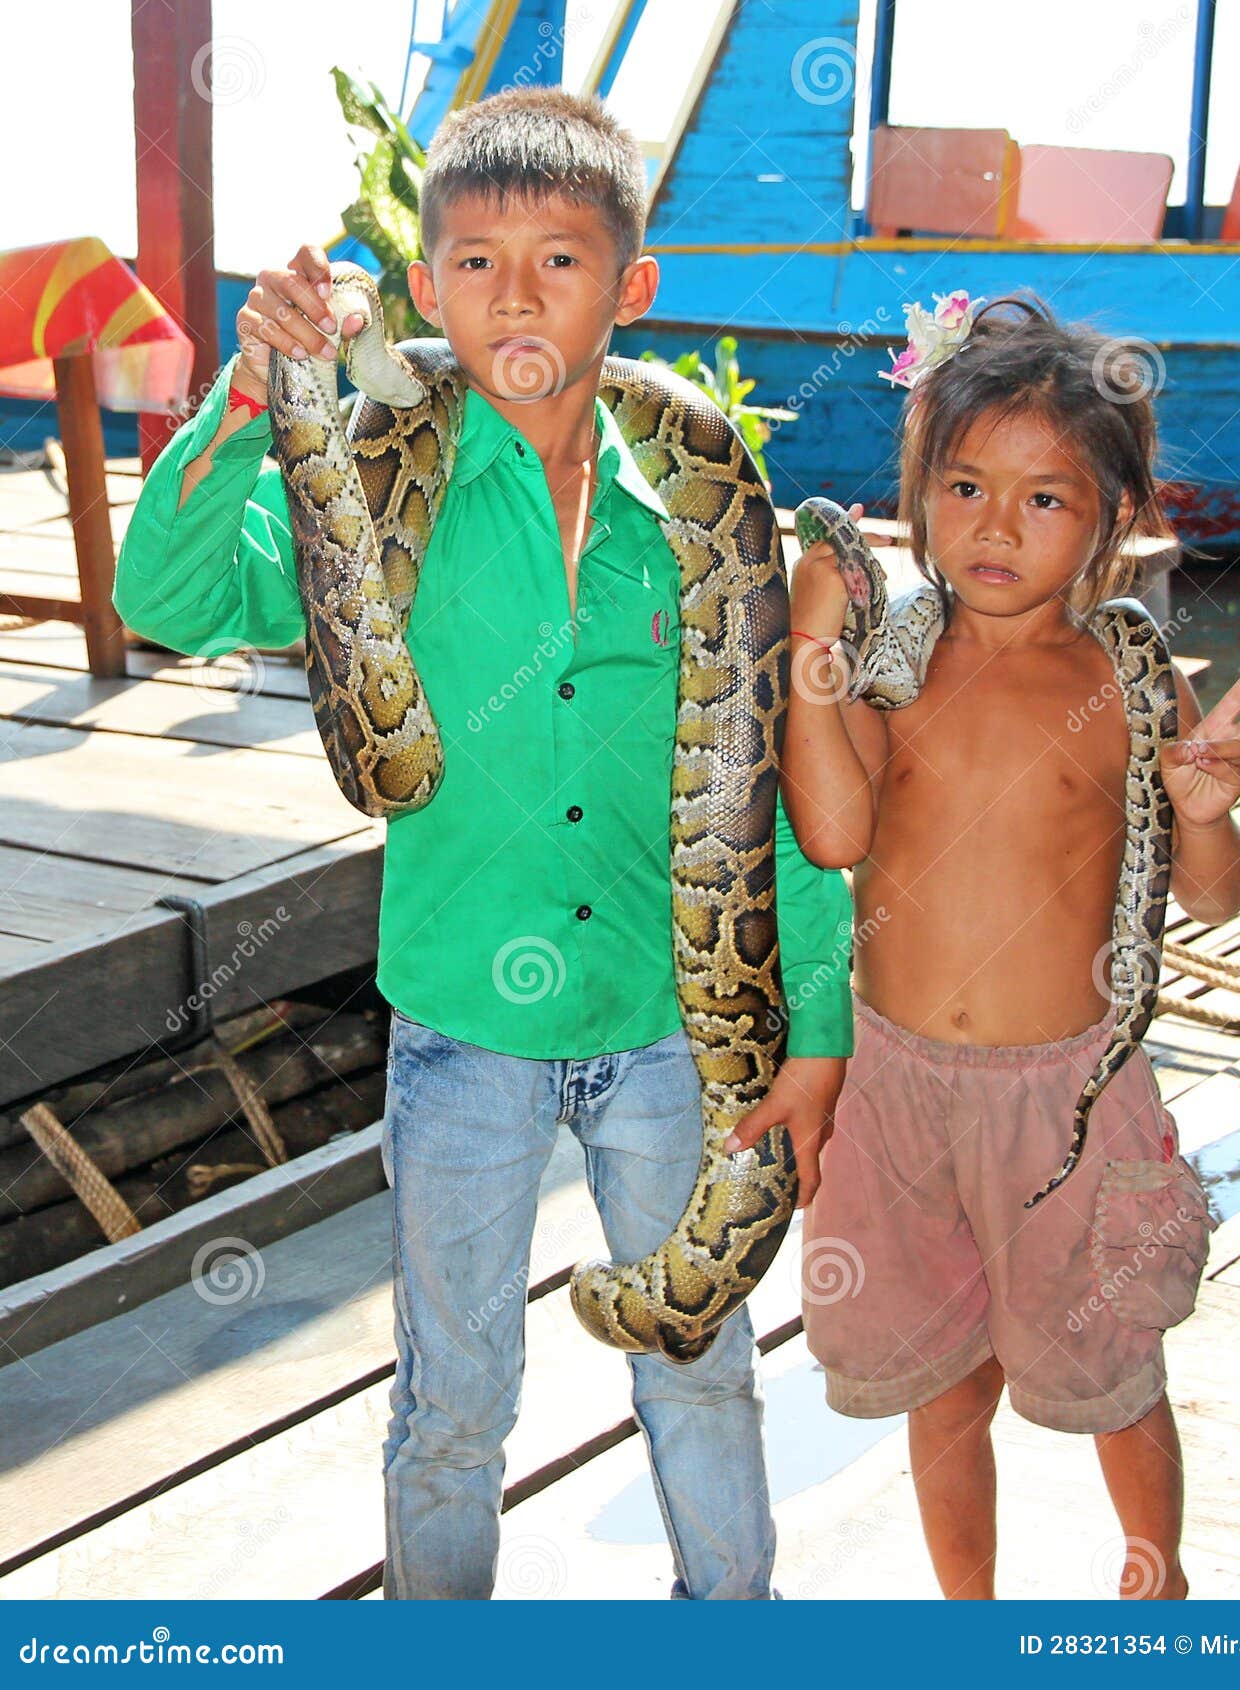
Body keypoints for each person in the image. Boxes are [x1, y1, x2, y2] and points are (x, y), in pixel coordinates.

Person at [112, 86, 853, 1601]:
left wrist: (820, 1025)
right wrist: (254, 401)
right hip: (464, 1032)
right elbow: (169, 594)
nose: (514, 295)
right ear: (430, 286)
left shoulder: (703, 505)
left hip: (671, 1031)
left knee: (700, 1373)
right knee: (451, 1407)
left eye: (559, 261)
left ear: (631, 285)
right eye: (473, 264)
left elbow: (765, 783)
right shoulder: (386, 491)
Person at [728, 293, 1240, 1600]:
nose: (994, 525)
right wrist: (811, 643)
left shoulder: (1125, 674)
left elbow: (1210, 897)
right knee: (945, 1380)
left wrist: (1208, 811)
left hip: (1070, 1104)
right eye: (965, 484)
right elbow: (828, 830)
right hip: (898, 1087)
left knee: (1110, 1380)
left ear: (1113, 516)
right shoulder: (888, 667)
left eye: (1044, 498)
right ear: (919, 492)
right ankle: (966, 1618)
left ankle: (1152, 1584)